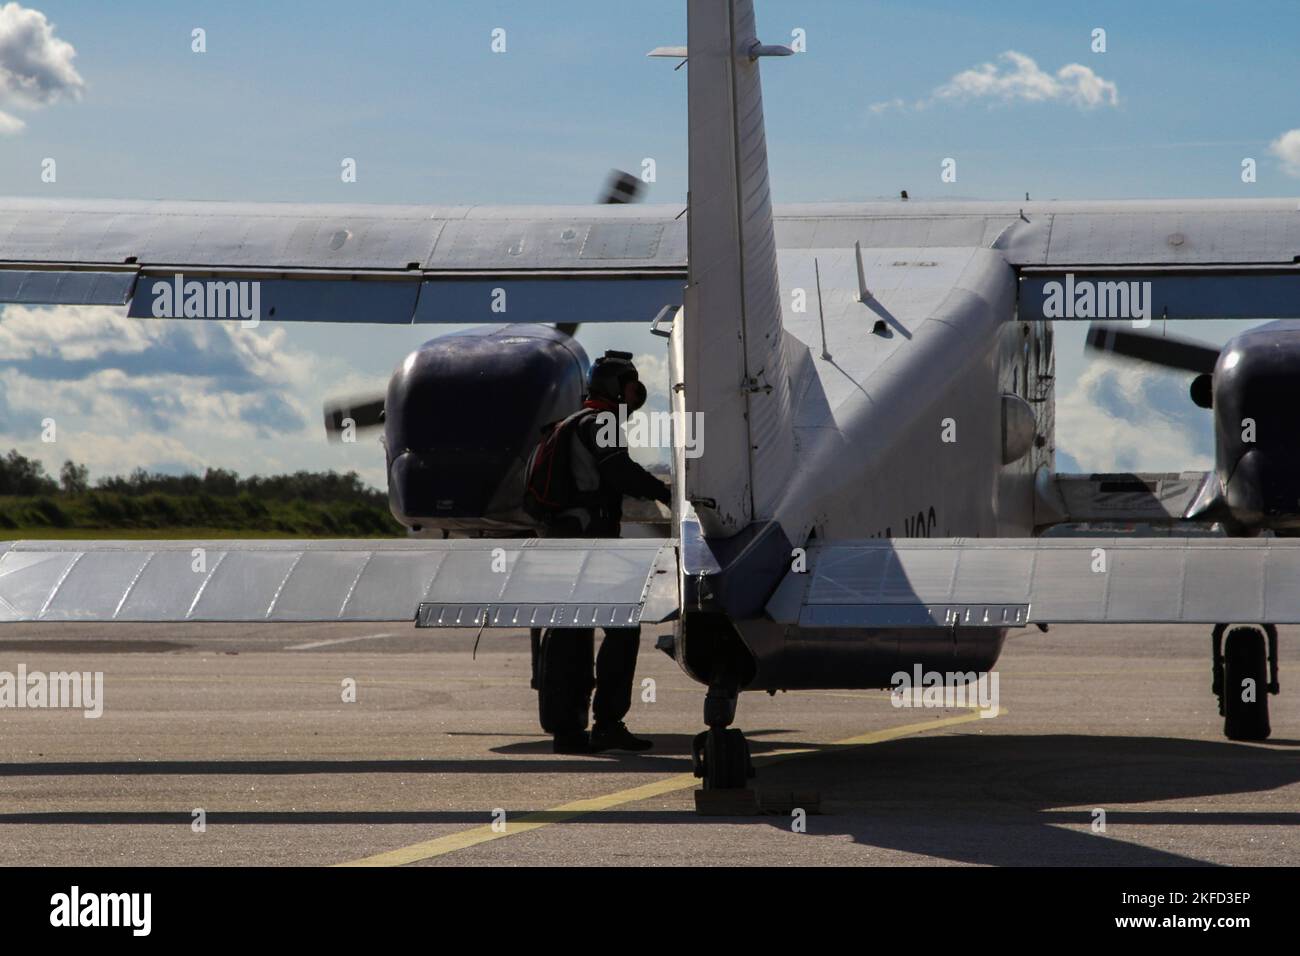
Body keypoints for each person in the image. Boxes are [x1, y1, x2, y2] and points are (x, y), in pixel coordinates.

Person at [531, 350, 672, 754]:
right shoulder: (603, 421)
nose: (636, 394)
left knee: (569, 632)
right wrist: (666, 492)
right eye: (631, 385)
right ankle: (608, 723)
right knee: (623, 627)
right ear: (614, 386)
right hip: (592, 544)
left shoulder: (569, 423)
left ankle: (568, 730)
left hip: (563, 542)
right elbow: (620, 472)